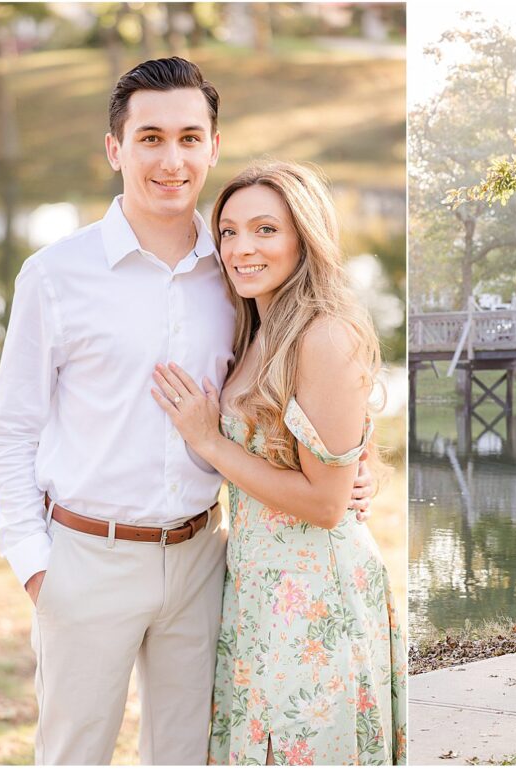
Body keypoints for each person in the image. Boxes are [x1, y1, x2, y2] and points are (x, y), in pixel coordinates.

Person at [0, 58, 372, 765]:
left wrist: (351, 467)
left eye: (191, 138)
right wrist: (34, 563)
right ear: (115, 149)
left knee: (189, 757)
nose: (172, 159)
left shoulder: (237, 273)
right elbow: (11, 426)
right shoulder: (55, 275)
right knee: (73, 755)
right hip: (86, 558)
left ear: (213, 147)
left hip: (204, 562)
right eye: (151, 138)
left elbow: (294, 390)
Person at [150, 161, 406, 765]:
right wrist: (362, 466)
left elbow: (324, 503)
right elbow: (339, 448)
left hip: (315, 592)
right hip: (262, 588)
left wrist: (210, 441)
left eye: (265, 230)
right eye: (229, 232)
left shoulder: (324, 334)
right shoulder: (259, 325)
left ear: (304, 237)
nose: (242, 248)